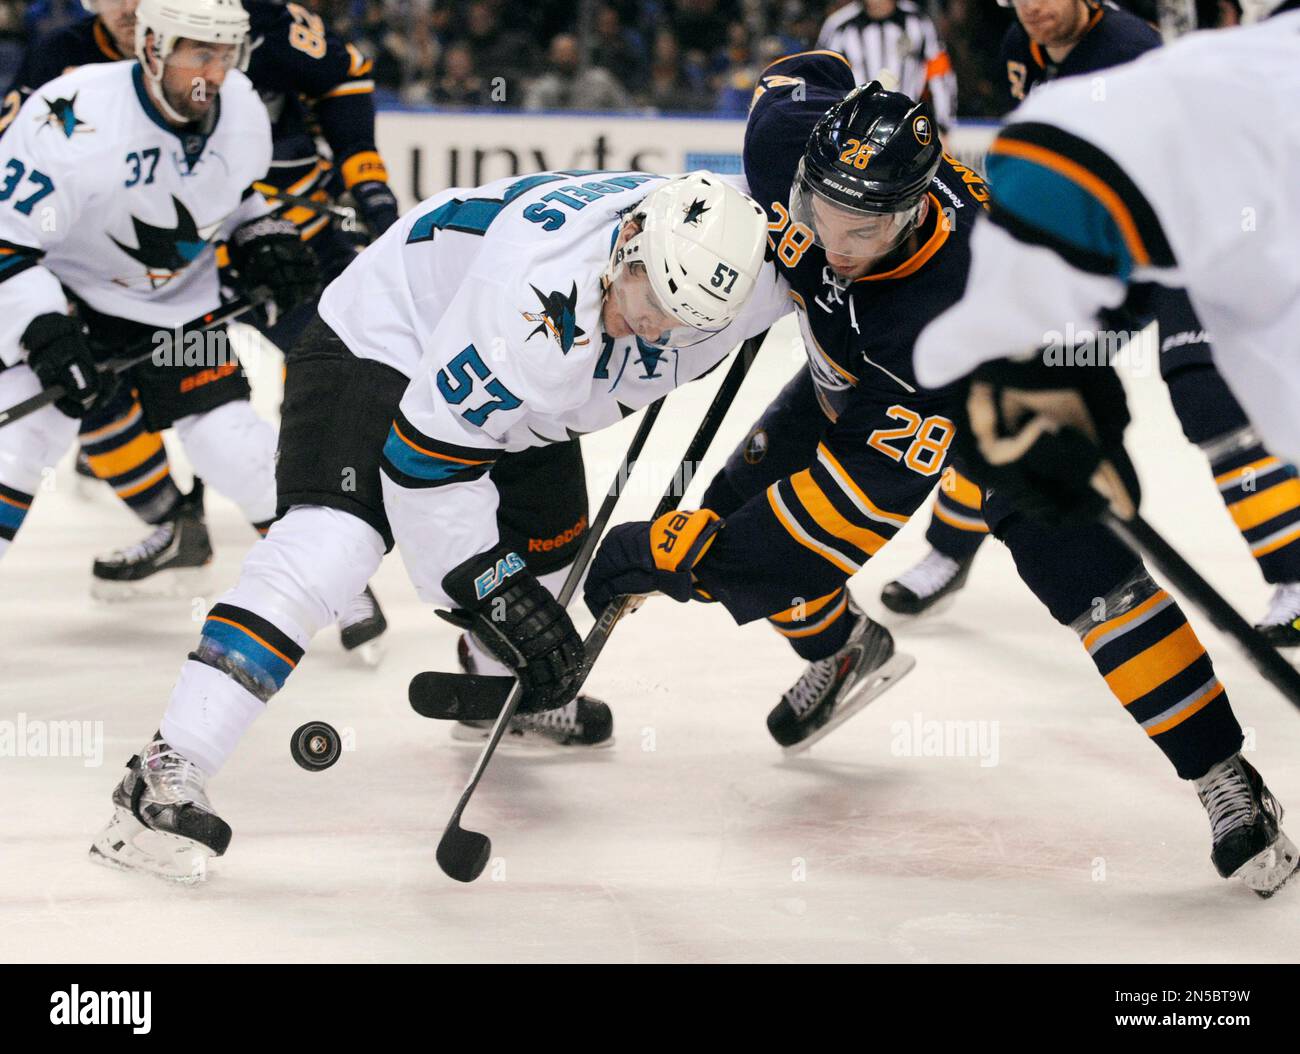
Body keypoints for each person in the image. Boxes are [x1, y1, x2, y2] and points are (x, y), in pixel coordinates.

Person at [585, 50, 1298, 895]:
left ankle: (1222, 771)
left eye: (866, 232)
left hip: (984, 404)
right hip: (846, 376)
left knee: (1091, 583)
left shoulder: (951, 305)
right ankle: (847, 654)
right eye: (822, 213)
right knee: (728, 502)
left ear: (916, 212)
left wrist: (661, 558)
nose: (836, 245)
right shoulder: (788, 144)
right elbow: (802, 73)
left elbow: (812, 537)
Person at [88, 169, 789, 880]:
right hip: (388, 341)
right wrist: (495, 595)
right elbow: (426, 470)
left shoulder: (727, 258)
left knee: (549, 545)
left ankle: (496, 695)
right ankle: (163, 770)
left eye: (683, 320)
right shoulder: (532, 311)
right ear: (627, 240)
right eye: (650, 299)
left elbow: (816, 214)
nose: (654, 328)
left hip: (513, 387)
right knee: (332, 547)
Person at [883, 0, 1300, 647]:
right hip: (1119, 243)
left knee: (1203, 393)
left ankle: (1295, 574)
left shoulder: (1130, 46)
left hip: (1183, 233)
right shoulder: (1019, 53)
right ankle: (949, 545)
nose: (1035, 7)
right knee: (1021, 397)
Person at [2, 0, 398, 646]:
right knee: (19, 449)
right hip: (71, 298)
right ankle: (169, 519)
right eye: (198, 53)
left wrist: (261, 233)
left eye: (224, 54)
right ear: (154, 48)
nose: (211, 75)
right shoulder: (68, 109)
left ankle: (334, 579)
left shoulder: (239, 105)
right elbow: (7, 241)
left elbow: (233, 194)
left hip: (174, 305)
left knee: (231, 442)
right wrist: (42, 328)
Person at [817, 0, 958, 131]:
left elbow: (940, 75)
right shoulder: (839, 26)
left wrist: (943, 126)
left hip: (906, 126)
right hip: (853, 128)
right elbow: (822, 81)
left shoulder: (918, 21)